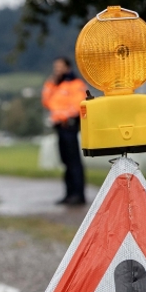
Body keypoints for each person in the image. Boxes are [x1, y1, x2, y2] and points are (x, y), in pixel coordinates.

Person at [42, 57, 88, 205]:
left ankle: (78, 194)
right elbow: (46, 101)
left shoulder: (76, 84)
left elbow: (78, 105)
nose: (57, 70)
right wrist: (51, 82)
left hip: (69, 125)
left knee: (74, 161)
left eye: (59, 67)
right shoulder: (56, 85)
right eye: (55, 67)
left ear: (67, 67)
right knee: (66, 161)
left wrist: (63, 116)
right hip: (60, 127)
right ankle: (69, 194)